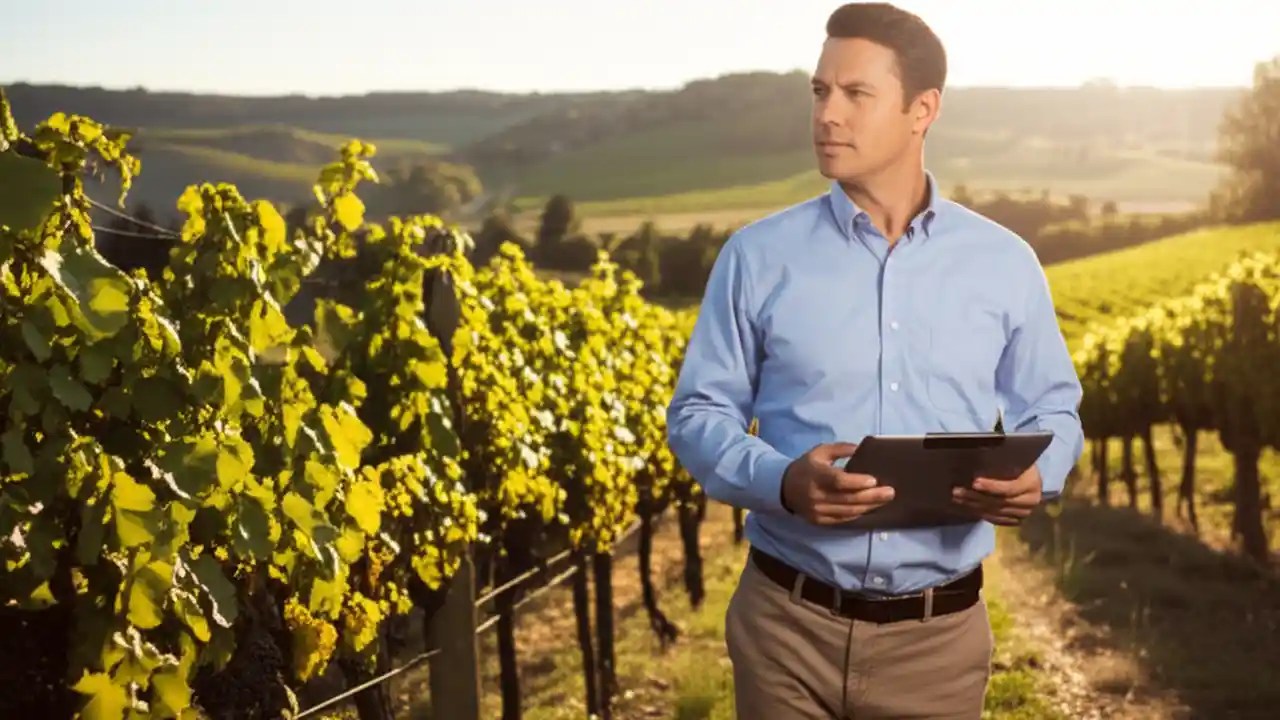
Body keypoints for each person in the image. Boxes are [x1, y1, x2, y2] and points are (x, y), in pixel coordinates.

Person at [665, 3, 1085, 718]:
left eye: (856, 94)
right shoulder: (757, 257)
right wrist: (784, 482)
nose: (828, 114)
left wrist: (1041, 474)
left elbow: (1053, 407)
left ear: (923, 110)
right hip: (784, 630)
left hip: (939, 645)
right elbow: (698, 414)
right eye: (819, 92)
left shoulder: (1005, 264)